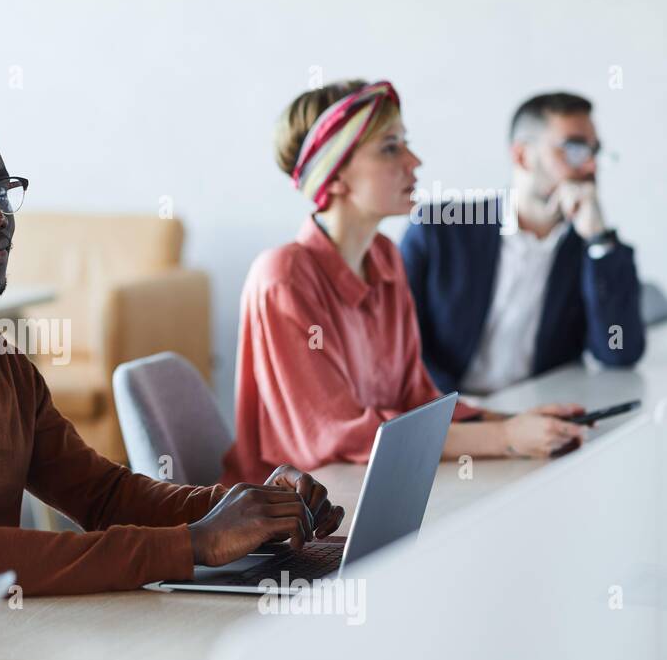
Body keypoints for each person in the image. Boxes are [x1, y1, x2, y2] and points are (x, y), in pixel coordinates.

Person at [0, 93, 345, 639]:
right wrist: (194, 544)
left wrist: (247, 509)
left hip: (13, 645)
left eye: (1, 191)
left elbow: (103, 496)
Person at [219, 80, 589, 488]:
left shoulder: (385, 258)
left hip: (379, 486)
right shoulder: (283, 277)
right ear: (336, 174)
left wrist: (516, 422)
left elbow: (416, 398)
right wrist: (503, 438)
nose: (414, 161)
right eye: (390, 148)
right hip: (298, 520)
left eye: (405, 143)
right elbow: (337, 437)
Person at [401, 91, 645, 395]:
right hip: (451, 414)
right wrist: (461, 412)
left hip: (540, 411)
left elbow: (619, 352)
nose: (591, 166)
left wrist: (598, 240)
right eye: (574, 149)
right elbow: (399, 345)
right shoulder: (439, 228)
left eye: (594, 151)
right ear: (521, 156)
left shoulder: (592, 249)